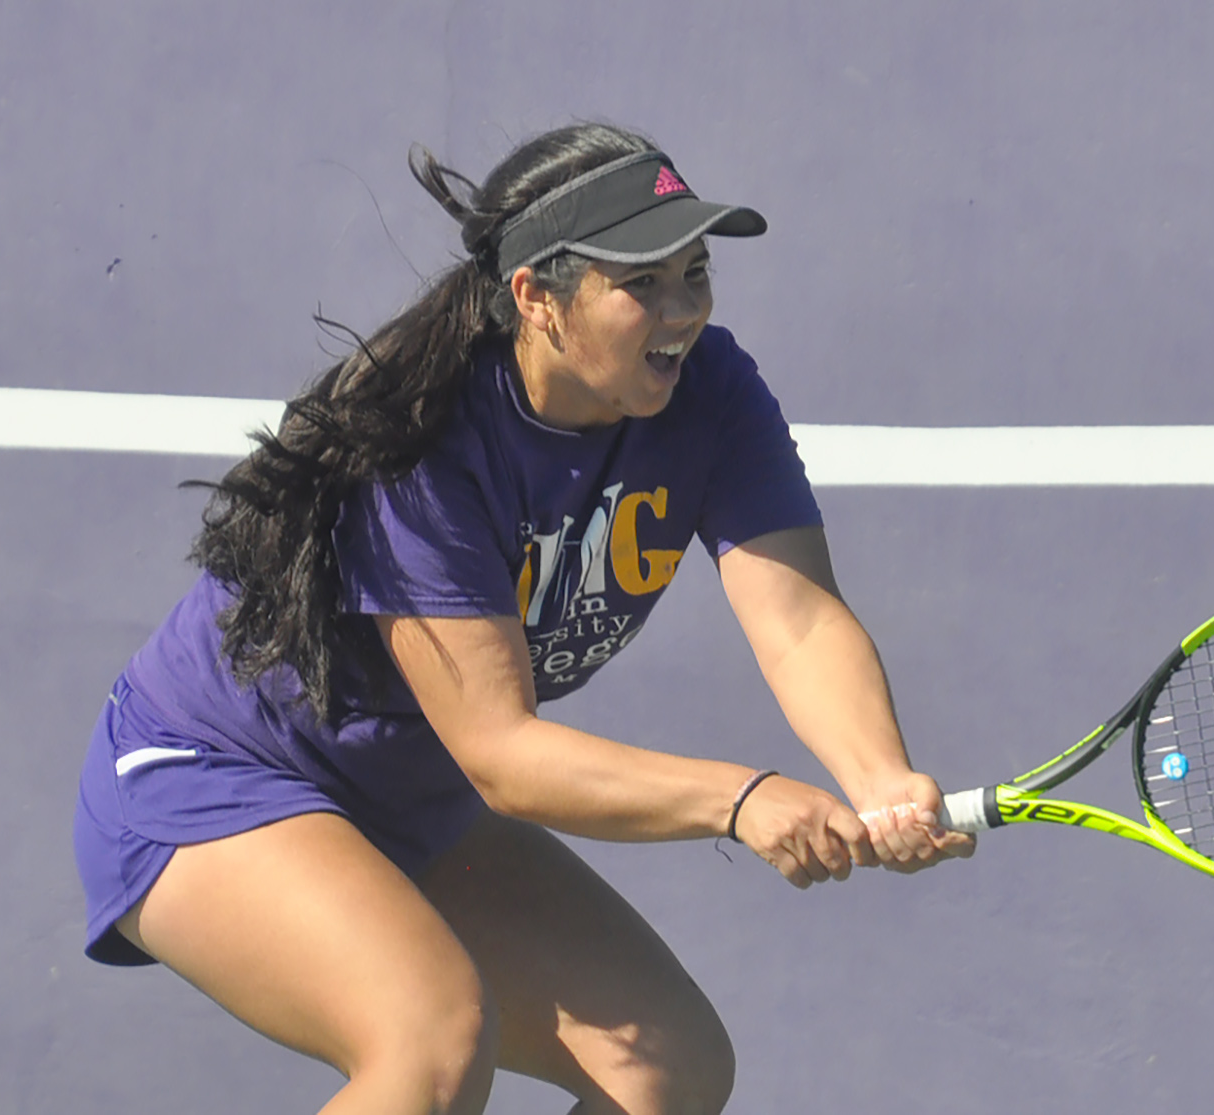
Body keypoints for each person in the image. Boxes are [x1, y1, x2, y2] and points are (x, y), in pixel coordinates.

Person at [72, 121, 974, 1115]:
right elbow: (503, 752)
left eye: (696, 273)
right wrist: (743, 794)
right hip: (214, 777)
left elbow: (797, 618)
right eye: (643, 284)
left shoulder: (713, 390)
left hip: (409, 793)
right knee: (430, 1040)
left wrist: (880, 773)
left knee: (666, 1068)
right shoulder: (425, 447)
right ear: (537, 298)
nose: (681, 311)